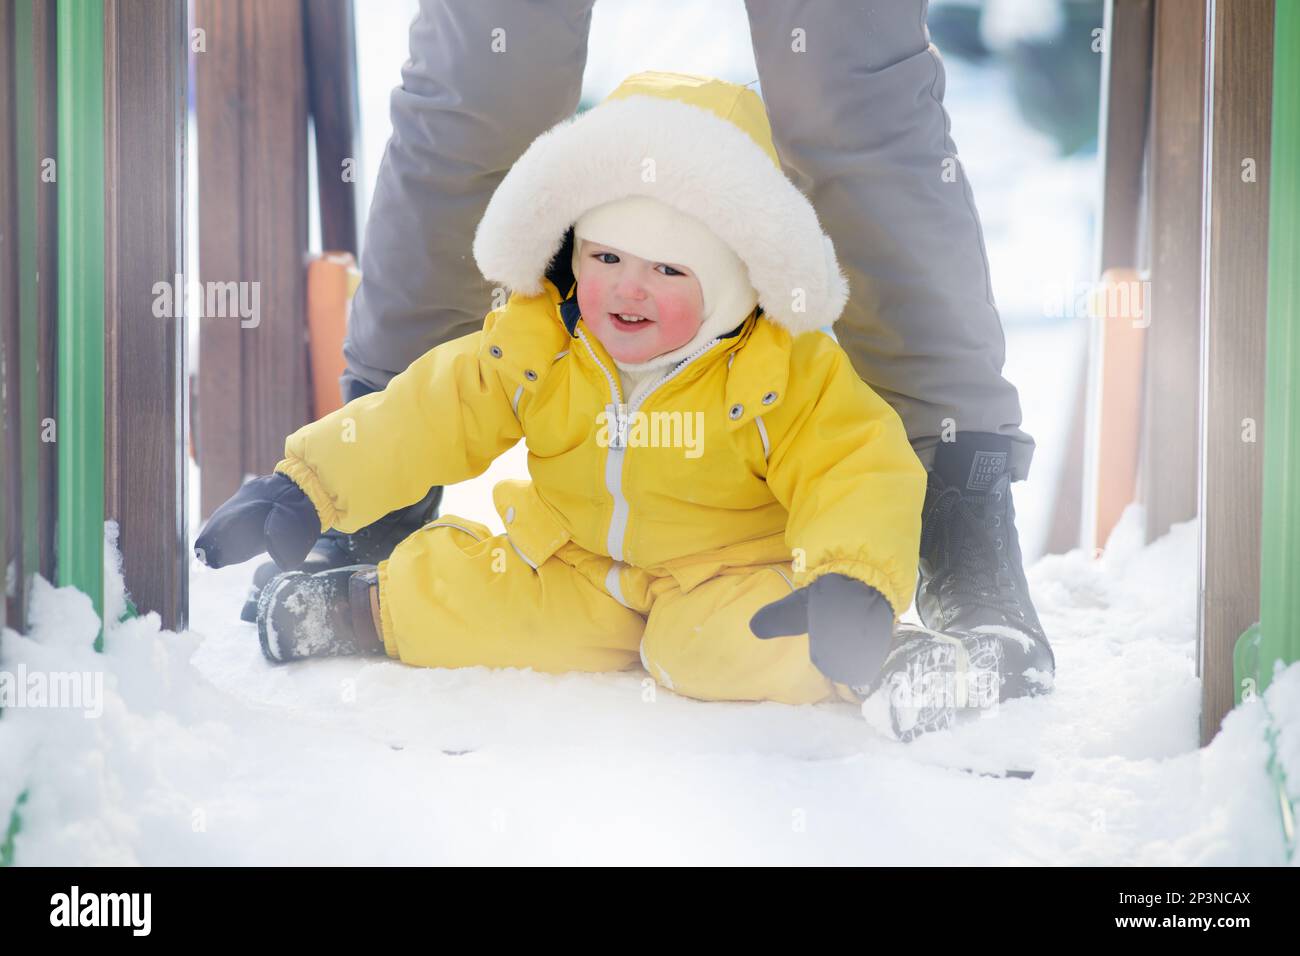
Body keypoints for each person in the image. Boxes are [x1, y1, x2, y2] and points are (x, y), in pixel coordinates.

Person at [222, 0, 1058, 731]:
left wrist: (854, 577)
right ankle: (361, 596)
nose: (628, 290)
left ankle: (905, 634)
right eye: (607, 257)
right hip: (574, 566)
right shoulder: (544, 338)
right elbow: (432, 409)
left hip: (727, 577)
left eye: (667, 270)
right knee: (476, 594)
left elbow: (852, 468)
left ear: (737, 280)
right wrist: (310, 483)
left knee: (742, 643)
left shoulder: (780, 369)